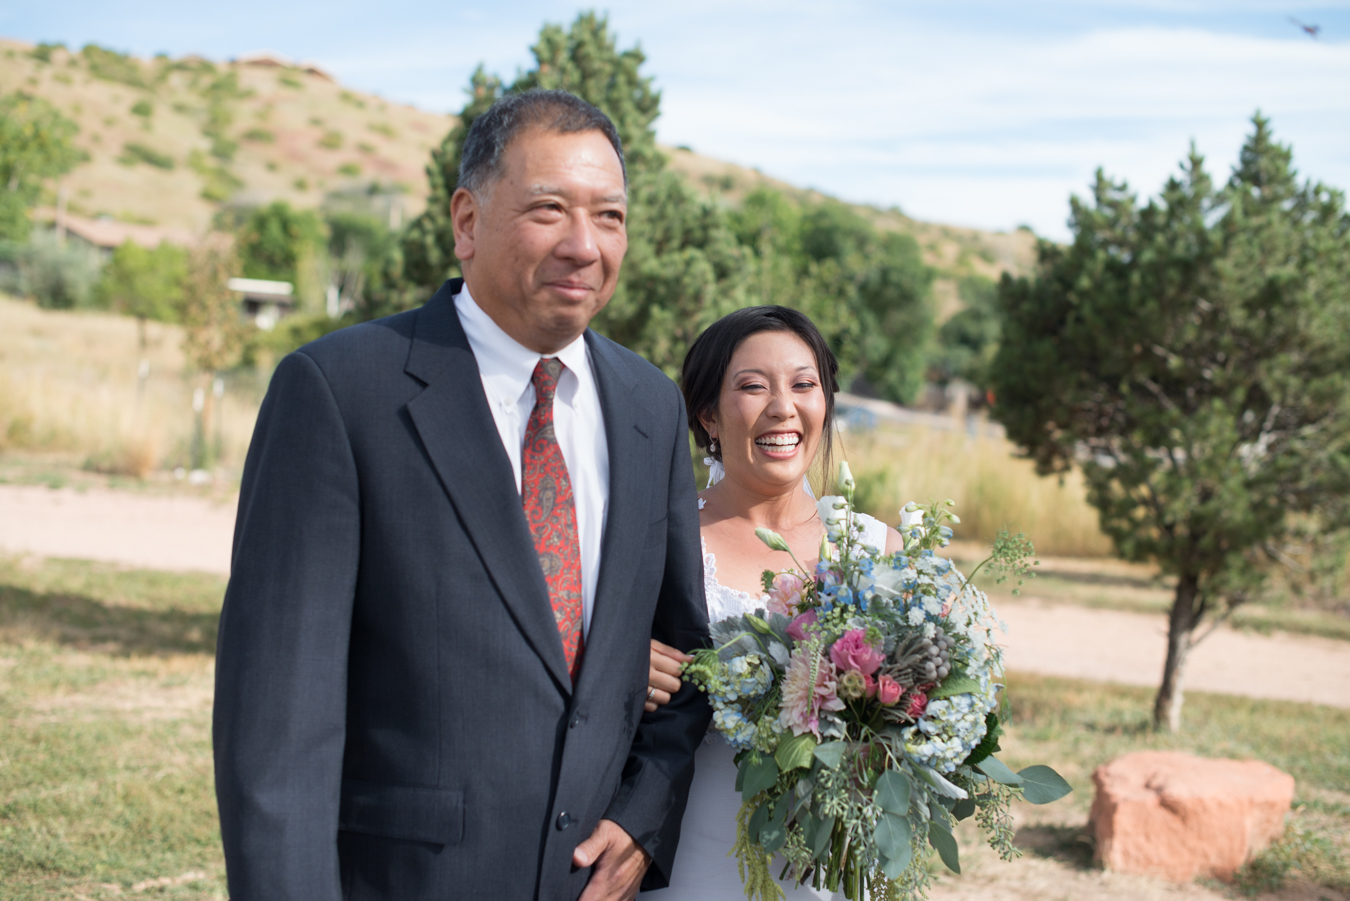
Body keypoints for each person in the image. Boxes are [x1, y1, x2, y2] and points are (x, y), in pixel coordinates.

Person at [213, 90, 711, 901]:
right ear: (467, 219)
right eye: (549, 209)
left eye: (610, 217)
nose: (584, 245)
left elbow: (686, 661)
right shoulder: (339, 392)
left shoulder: (651, 406)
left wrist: (644, 814)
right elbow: (277, 728)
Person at [644, 306, 903, 899]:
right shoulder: (660, 540)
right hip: (692, 862)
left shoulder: (880, 551)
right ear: (707, 414)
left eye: (804, 384)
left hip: (837, 872)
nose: (783, 406)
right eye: (753, 386)